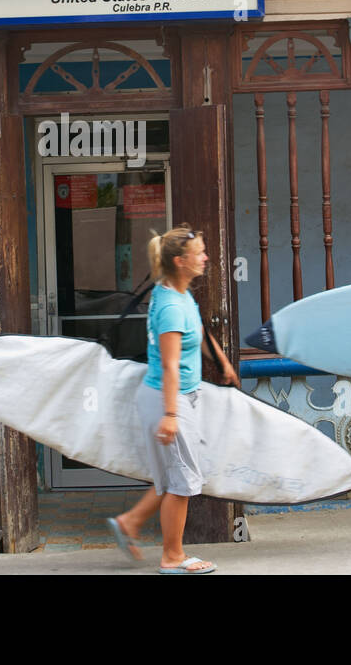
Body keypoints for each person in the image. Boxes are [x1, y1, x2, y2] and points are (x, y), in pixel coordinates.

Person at [106, 225, 240, 573]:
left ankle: (130, 523)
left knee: (174, 477)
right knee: (181, 484)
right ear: (181, 261)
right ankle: (173, 558)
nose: (206, 257)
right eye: (200, 253)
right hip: (170, 399)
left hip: (177, 398)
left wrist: (222, 362)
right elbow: (168, 365)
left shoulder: (179, 293)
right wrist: (170, 414)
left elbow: (199, 330)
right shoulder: (169, 307)